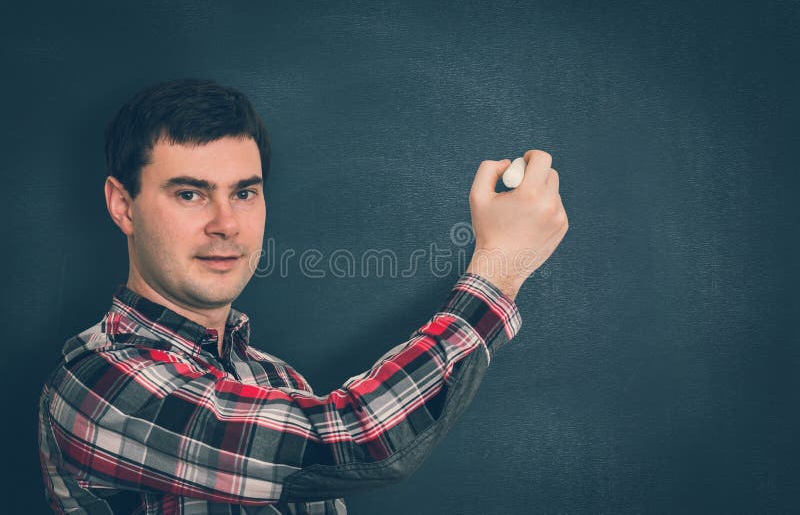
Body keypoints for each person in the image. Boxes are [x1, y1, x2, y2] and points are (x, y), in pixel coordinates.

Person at [38, 78, 569, 514]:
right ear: (123, 206)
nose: (226, 224)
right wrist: (499, 269)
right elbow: (354, 441)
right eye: (190, 193)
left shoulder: (277, 380)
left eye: (244, 192)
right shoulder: (97, 381)